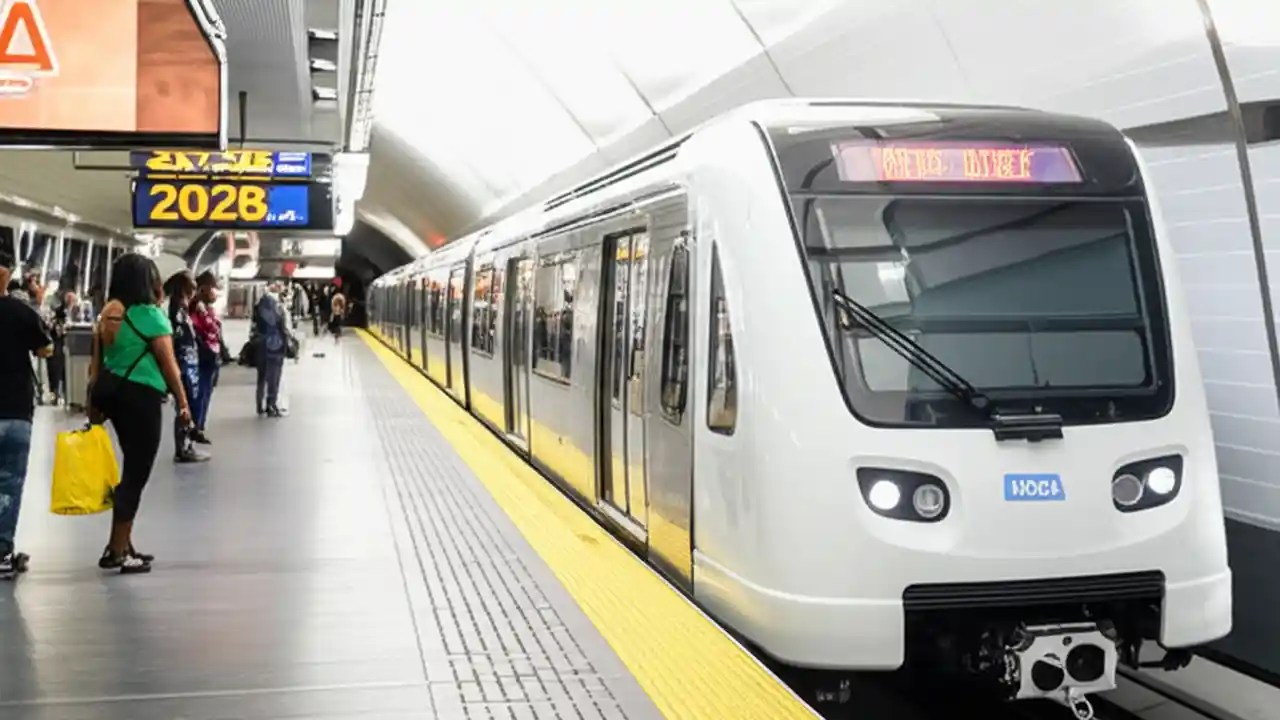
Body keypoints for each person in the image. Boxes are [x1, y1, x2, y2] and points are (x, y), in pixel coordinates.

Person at [88, 254, 193, 573]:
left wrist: (92, 404)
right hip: (142, 396)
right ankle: (116, 551)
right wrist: (183, 402)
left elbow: (96, 365)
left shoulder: (110, 315)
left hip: (112, 395)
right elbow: (168, 364)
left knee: (130, 468)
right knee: (136, 473)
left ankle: (123, 541)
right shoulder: (150, 316)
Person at [0, 251, 52, 579]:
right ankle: (3, 550)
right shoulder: (21, 312)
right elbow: (45, 348)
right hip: (16, 410)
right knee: (9, 483)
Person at [165, 271, 207, 463]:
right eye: (191, 285)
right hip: (184, 362)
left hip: (189, 360)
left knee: (189, 401)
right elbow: (180, 338)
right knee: (185, 403)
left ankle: (187, 443)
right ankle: (182, 447)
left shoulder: (183, 307)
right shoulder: (176, 309)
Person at [190, 272, 222, 443]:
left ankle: (200, 426)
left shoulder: (206, 308)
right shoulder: (197, 308)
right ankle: (195, 427)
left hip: (210, 355)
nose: (214, 293)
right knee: (199, 393)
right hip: (203, 355)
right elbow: (210, 329)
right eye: (211, 288)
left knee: (206, 392)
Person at [252, 281, 290, 417]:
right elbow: (281, 327)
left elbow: (255, 325)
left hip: (261, 345)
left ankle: (259, 405)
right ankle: (271, 405)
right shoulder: (277, 308)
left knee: (261, 377)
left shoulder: (259, 306)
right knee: (274, 377)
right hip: (275, 346)